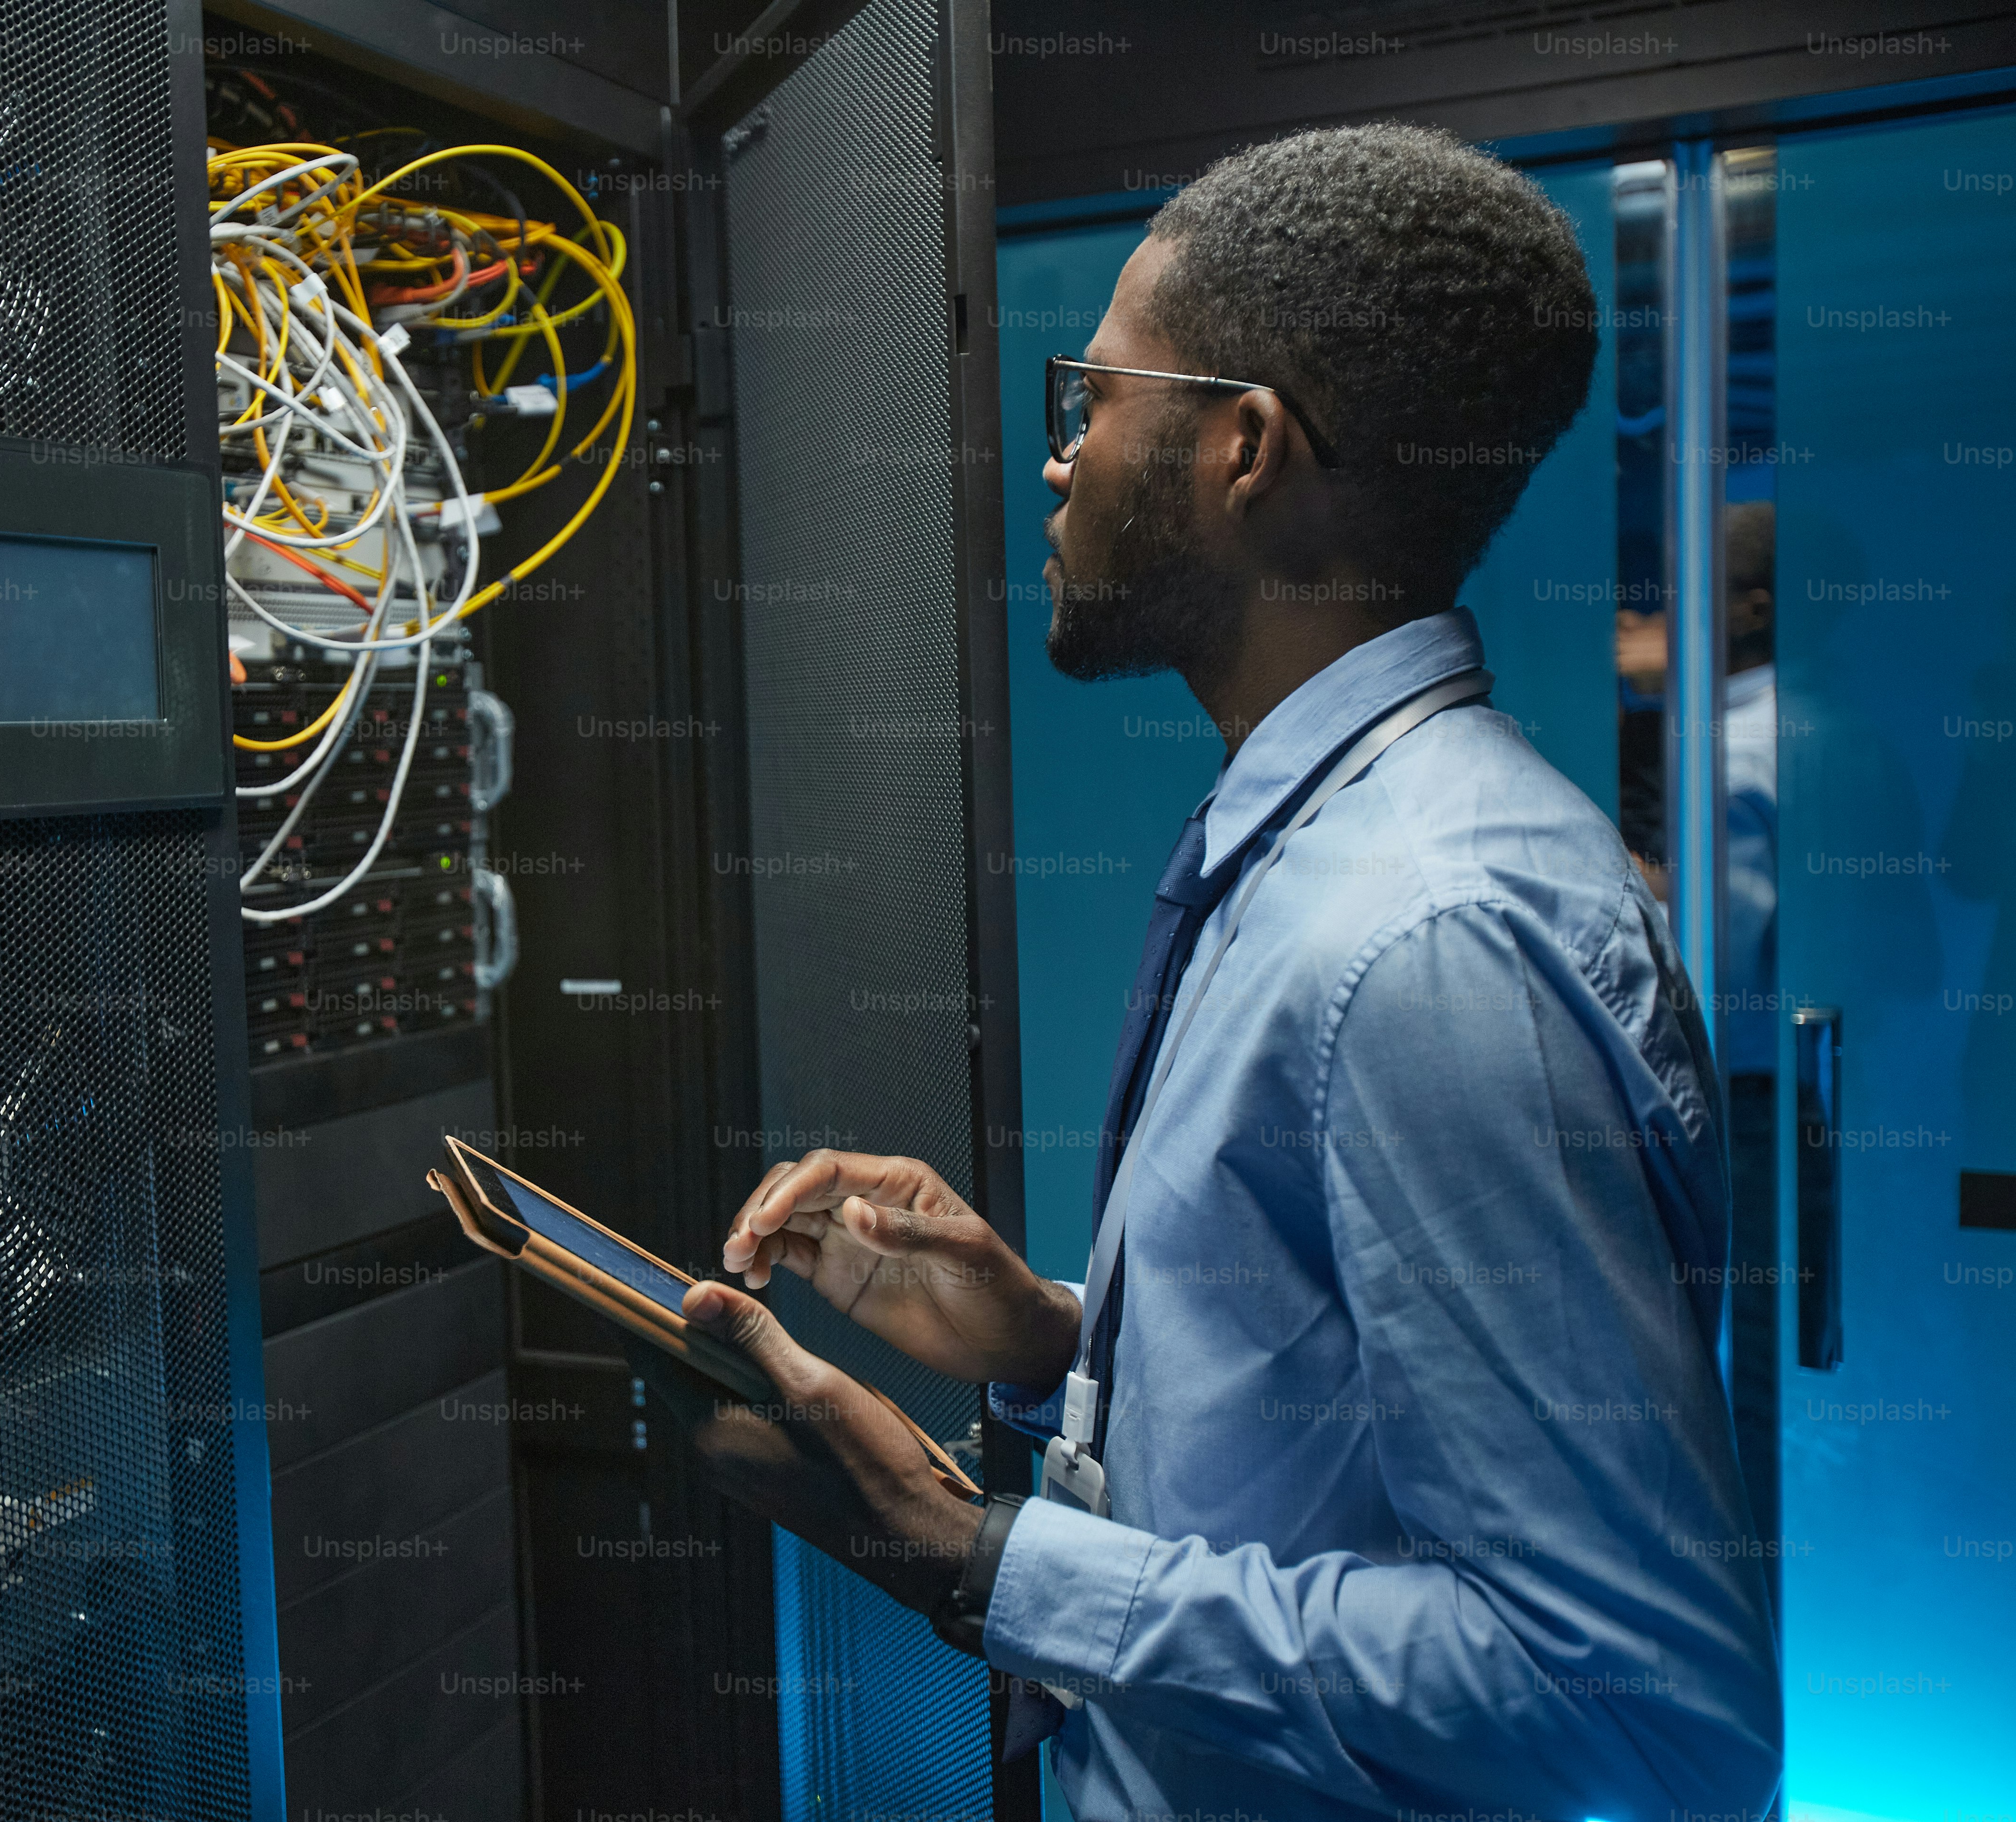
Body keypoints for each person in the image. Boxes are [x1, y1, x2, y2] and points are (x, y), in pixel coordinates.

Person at [638, 124, 1783, 1820]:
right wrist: (1058, 1346)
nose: (1058, 462)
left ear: (1242, 447)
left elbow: (1635, 1710)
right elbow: (1374, 1446)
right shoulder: (1332, 854)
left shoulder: (1426, 936)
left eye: (1090, 397)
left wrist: (979, 1549)